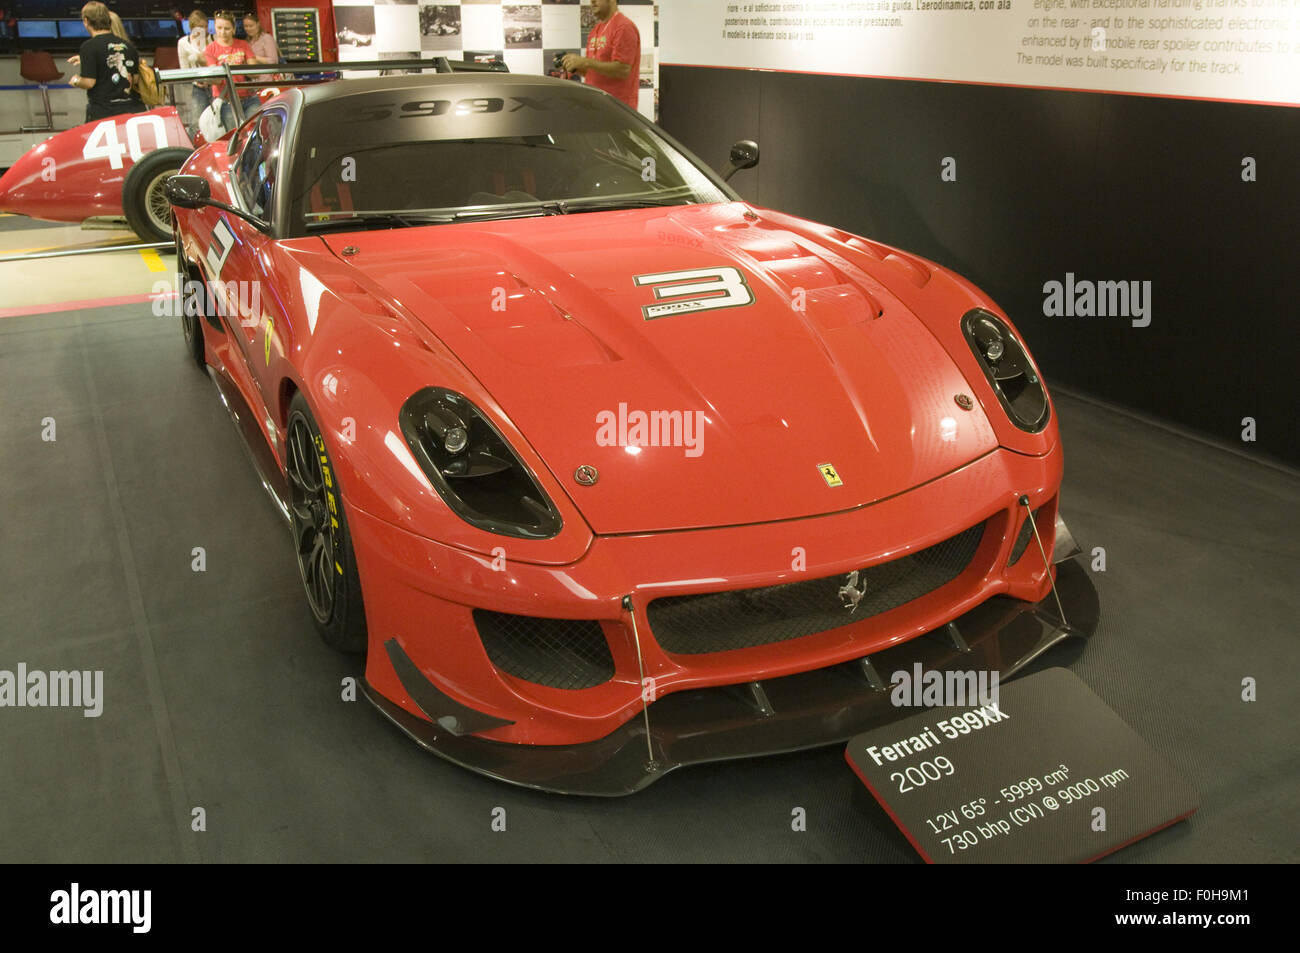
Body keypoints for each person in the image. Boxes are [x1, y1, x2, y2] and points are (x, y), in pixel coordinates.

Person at [68, 1, 144, 122]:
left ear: (86, 21)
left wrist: (76, 80)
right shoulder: (127, 46)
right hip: (132, 111)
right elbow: (135, 79)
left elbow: (89, 82)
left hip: (104, 113)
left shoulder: (89, 47)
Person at [562, 0, 640, 110]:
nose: (592, 2)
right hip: (596, 105)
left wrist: (585, 62)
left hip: (618, 108)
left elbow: (623, 70)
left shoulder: (624, 27)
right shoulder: (596, 30)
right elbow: (594, 71)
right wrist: (575, 67)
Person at [203, 11, 262, 130]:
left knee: (255, 134)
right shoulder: (210, 49)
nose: (222, 32)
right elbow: (216, 79)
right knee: (235, 136)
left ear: (233, 29)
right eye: (219, 28)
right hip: (227, 101)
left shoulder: (243, 45)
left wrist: (240, 68)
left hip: (249, 98)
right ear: (214, 28)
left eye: (227, 28)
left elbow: (256, 73)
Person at [178, 10, 213, 129]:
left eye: (205, 26)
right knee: (196, 123)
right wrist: (196, 81)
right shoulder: (183, 43)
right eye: (200, 27)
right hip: (198, 88)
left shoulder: (213, 40)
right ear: (192, 27)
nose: (204, 30)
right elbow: (184, 69)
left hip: (216, 85)